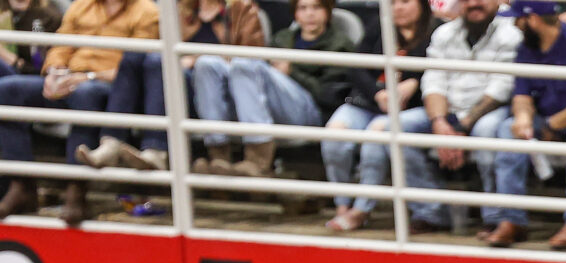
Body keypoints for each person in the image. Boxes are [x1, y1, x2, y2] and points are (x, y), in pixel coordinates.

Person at [356, 0, 520, 234]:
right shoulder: (444, 33)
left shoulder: (510, 35)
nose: (473, 3)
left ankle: (496, 217)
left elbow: (501, 88)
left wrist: (460, 128)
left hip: (490, 110)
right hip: (446, 110)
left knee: (488, 132)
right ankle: (431, 213)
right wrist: (440, 123)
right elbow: (433, 81)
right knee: (395, 127)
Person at [0, 0, 160, 225]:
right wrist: (55, 73)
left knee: (86, 94)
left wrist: (87, 77)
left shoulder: (146, 11)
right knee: (7, 91)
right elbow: (60, 46)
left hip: (110, 87)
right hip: (70, 78)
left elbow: (134, 70)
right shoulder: (81, 5)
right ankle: (21, 185)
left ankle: (76, 190)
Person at [77, 0, 266, 173]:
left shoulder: (241, 8)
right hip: (171, 85)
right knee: (137, 56)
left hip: (216, 92)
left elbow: (250, 63)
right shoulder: (178, 8)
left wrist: (195, 58)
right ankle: (112, 143)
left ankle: (156, 150)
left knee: (163, 64)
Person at [487, 0, 566, 249]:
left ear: (533, 20)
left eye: (518, 19)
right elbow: (521, 94)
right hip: (546, 117)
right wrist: (523, 118)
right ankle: (511, 219)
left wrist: (553, 124)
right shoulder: (527, 47)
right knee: (508, 130)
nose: (515, 25)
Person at [191, 0, 354, 177]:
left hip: (309, 112)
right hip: (269, 108)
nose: (310, 14)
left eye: (316, 7)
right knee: (206, 63)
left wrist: (292, 72)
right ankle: (218, 154)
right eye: (303, 8)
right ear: (295, 13)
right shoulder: (282, 38)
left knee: (246, 64)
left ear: (328, 11)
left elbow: (329, 96)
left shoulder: (340, 44)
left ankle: (258, 160)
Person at [321, 0, 437, 231]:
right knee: (334, 134)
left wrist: (414, 82)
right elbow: (356, 67)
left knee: (377, 135)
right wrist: (378, 93)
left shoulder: (436, 31)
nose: (398, 8)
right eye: (393, 3)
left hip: (411, 107)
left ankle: (361, 210)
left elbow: (436, 76)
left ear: (423, 5)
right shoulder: (379, 26)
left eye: (405, 2)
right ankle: (342, 205)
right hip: (368, 101)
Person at [0, 0, 64, 76]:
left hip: (34, 74)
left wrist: (11, 59)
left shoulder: (46, 17)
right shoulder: (6, 16)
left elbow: (39, 66)